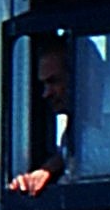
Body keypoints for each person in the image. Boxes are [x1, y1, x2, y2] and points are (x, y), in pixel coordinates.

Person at [7, 37, 71, 196]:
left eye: (54, 81)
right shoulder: (78, 131)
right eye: (44, 85)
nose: (46, 94)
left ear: (84, 74)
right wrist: (44, 171)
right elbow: (69, 154)